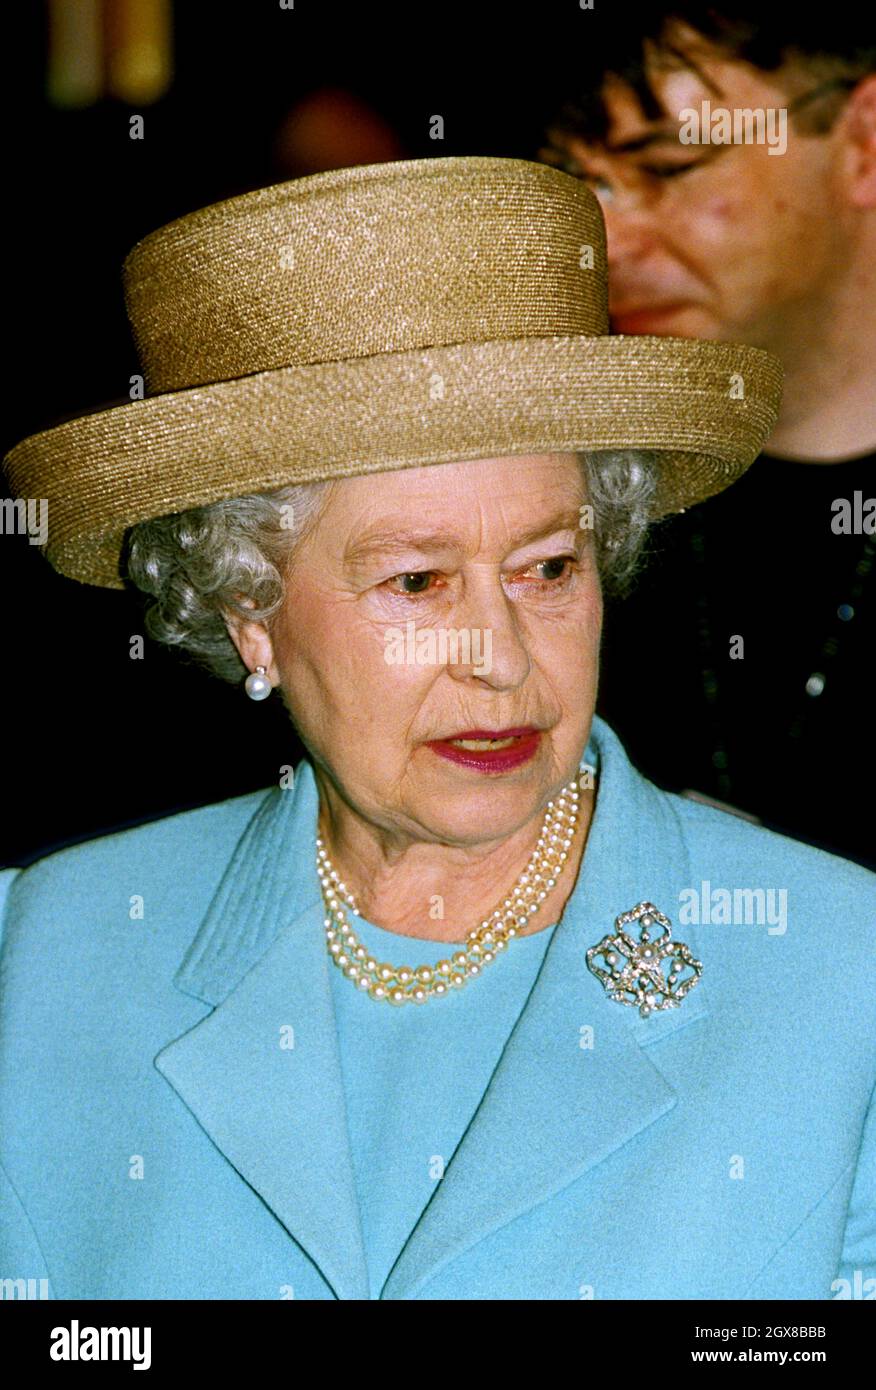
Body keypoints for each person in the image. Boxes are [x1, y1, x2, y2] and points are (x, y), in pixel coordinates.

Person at [0, 157, 873, 1302]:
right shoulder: (50, 949)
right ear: (249, 611)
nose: (502, 656)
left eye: (549, 566)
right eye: (415, 582)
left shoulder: (836, 972)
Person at [540, 4, 876, 867]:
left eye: (667, 165)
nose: (606, 240)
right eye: (579, 184)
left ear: (866, 140)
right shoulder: (548, 491)